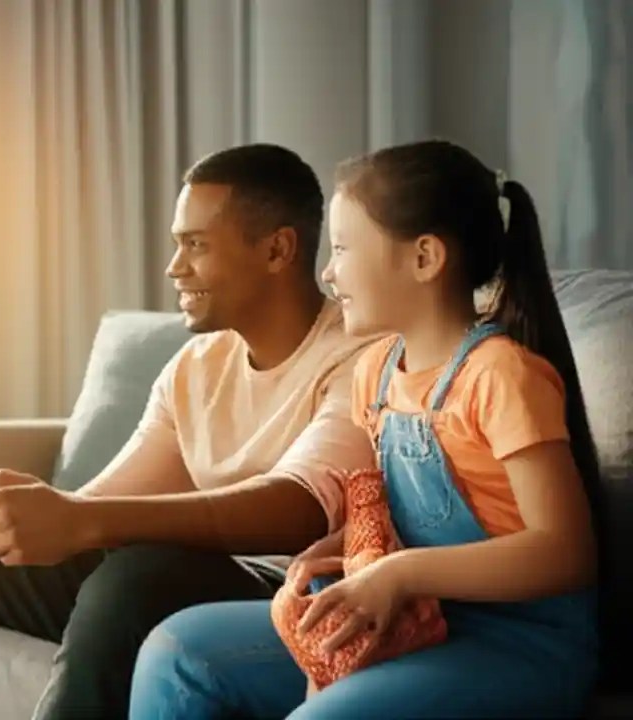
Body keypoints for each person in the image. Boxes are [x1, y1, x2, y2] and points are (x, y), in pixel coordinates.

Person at [0, 143, 383, 720]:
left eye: (195, 245)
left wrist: (82, 520)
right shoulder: (196, 367)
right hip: (161, 583)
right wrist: (21, 513)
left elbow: (301, 506)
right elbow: (103, 502)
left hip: (284, 595)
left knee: (140, 571)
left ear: (277, 249)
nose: (174, 267)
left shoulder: (359, 356)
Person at [127, 138, 607, 719]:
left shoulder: (502, 376)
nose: (327, 273)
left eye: (343, 249)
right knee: (178, 653)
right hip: (417, 619)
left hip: (520, 644)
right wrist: (336, 557)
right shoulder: (376, 372)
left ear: (424, 258)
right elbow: (384, 517)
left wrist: (401, 573)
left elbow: (566, 553)